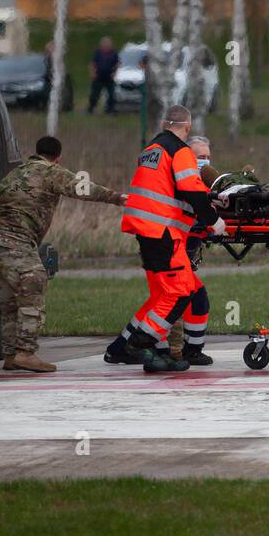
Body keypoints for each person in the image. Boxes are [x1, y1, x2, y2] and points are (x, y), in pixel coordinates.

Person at [0, 136, 125, 372]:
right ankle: (26, 352)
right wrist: (116, 198)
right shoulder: (50, 171)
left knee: (9, 300)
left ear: (36, 152)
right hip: (15, 241)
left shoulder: (14, 173)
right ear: (57, 158)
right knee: (34, 281)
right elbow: (82, 187)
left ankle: (11, 355)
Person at [105, 106, 224, 372]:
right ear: (188, 126)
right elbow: (191, 190)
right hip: (163, 232)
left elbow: (167, 190)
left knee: (161, 295)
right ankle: (139, 344)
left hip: (146, 231)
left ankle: (124, 348)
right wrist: (213, 220)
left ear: (163, 123)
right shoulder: (180, 152)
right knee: (181, 292)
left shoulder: (150, 150)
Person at [161, 135, 220, 362]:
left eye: (207, 157)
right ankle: (167, 349)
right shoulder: (178, 182)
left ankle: (187, 349)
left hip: (182, 257)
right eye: (199, 157)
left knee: (192, 297)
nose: (204, 162)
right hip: (169, 252)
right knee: (187, 297)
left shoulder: (206, 183)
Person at [88, 36, 120, 114]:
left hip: (109, 78)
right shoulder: (97, 52)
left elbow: (118, 64)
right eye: (104, 44)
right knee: (94, 94)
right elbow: (92, 63)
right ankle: (91, 108)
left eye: (107, 44)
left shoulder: (114, 53)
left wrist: (115, 73)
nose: (106, 45)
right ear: (101, 45)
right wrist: (93, 73)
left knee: (111, 95)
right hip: (98, 77)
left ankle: (110, 110)